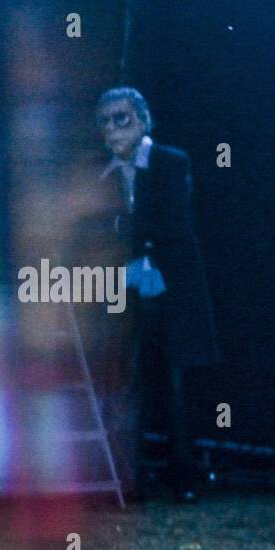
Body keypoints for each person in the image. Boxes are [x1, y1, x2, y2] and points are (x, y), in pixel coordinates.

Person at [95, 86, 220, 502]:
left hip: (170, 290)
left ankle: (183, 474)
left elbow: (172, 227)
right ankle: (129, 476)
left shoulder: (170, 162)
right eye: (106, 121)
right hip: (127, 291)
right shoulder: (103, 174)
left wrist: (123, 236)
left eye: (122, 118)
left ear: (143, 120)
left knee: (175, 384)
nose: (113, 129)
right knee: (127, 381)